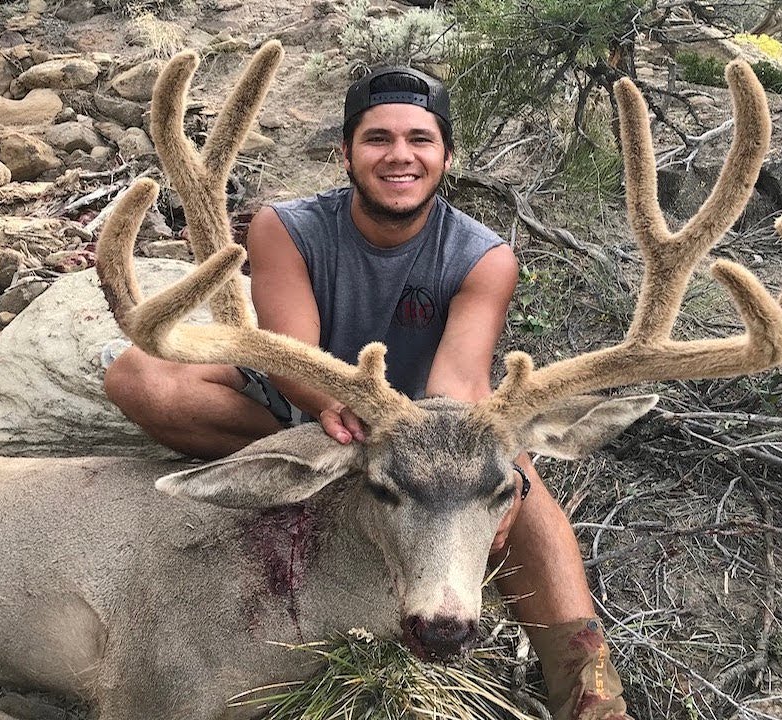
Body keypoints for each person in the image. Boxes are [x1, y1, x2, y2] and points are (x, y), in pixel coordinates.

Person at [103, 64, 631, 720]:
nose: (400, 155)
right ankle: (335, 480)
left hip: (429, 431)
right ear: (345, 153)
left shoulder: (483, 257)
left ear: (446, 157)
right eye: (378, 138)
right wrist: (331, 406)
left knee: (520, 486)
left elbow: (459, 386)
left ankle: (591, 692)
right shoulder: (285, 227)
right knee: (137, 375)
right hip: (313, 410)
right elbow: (291, 354)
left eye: (420, 139)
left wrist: (493, 484)